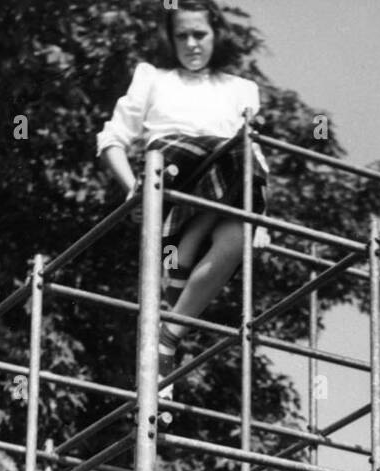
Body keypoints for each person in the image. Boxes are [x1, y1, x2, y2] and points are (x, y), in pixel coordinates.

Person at [96, 1, 268, 389]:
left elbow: (255, 157)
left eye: (200, 35)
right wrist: (133, 195)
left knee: (238, 226)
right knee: (227, 157)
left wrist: (261, 220)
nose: (191, 44)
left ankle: (169, 336)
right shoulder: (152, 78)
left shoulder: (241, 89)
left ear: (216, 35)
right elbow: (111, 139)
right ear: (170, 40)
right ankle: (187, 248)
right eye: (182, 36)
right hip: (171, 175)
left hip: (228, 181)